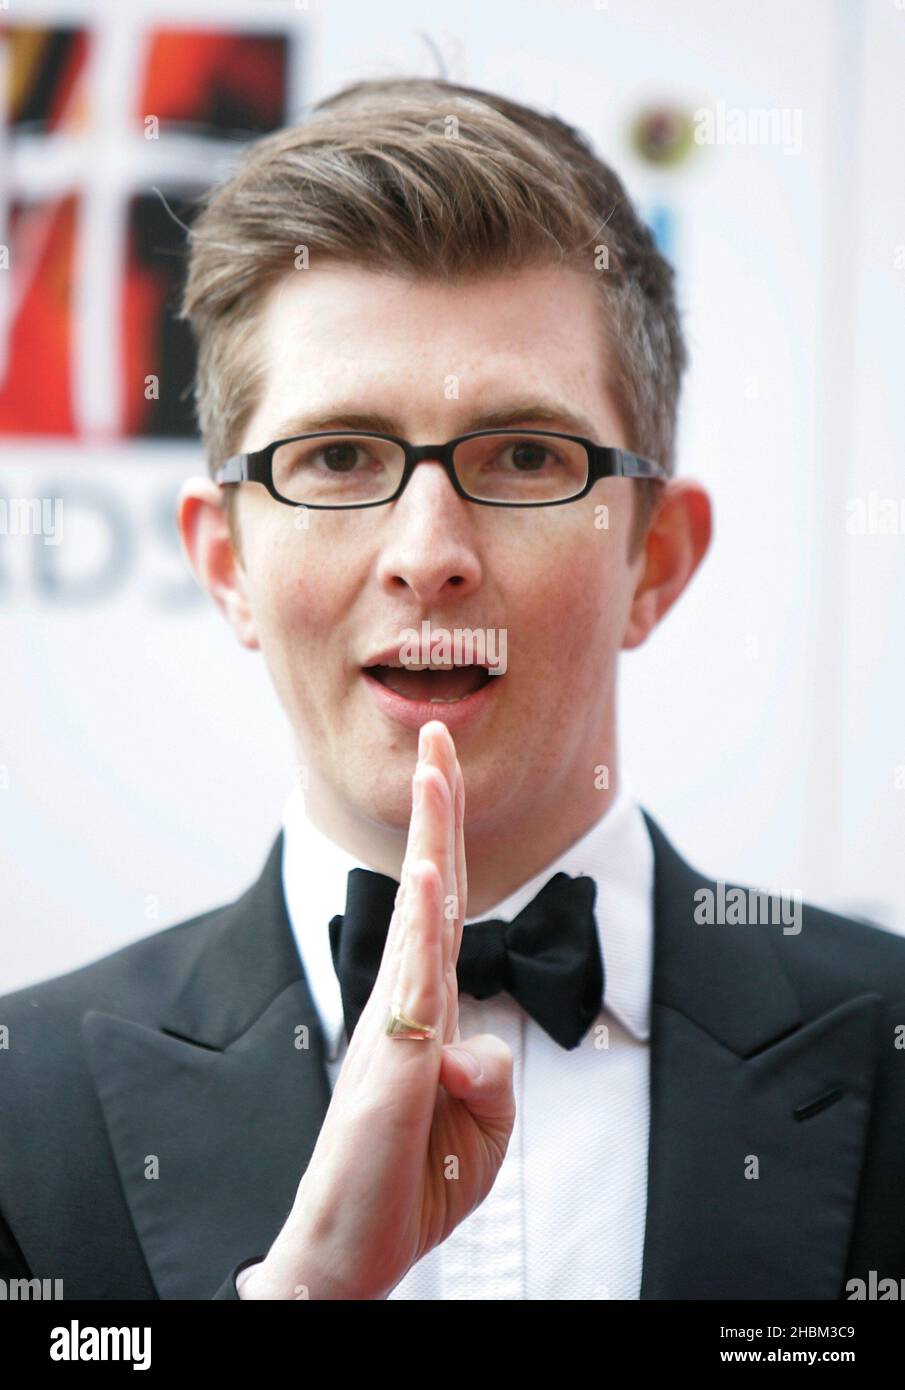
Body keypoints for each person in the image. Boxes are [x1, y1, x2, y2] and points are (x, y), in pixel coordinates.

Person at [2, 76, 904, 1302]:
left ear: (655, 558)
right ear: (226, 564)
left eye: (525, 456)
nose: (427, 549)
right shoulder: (21, 1110)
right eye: (337, 457)